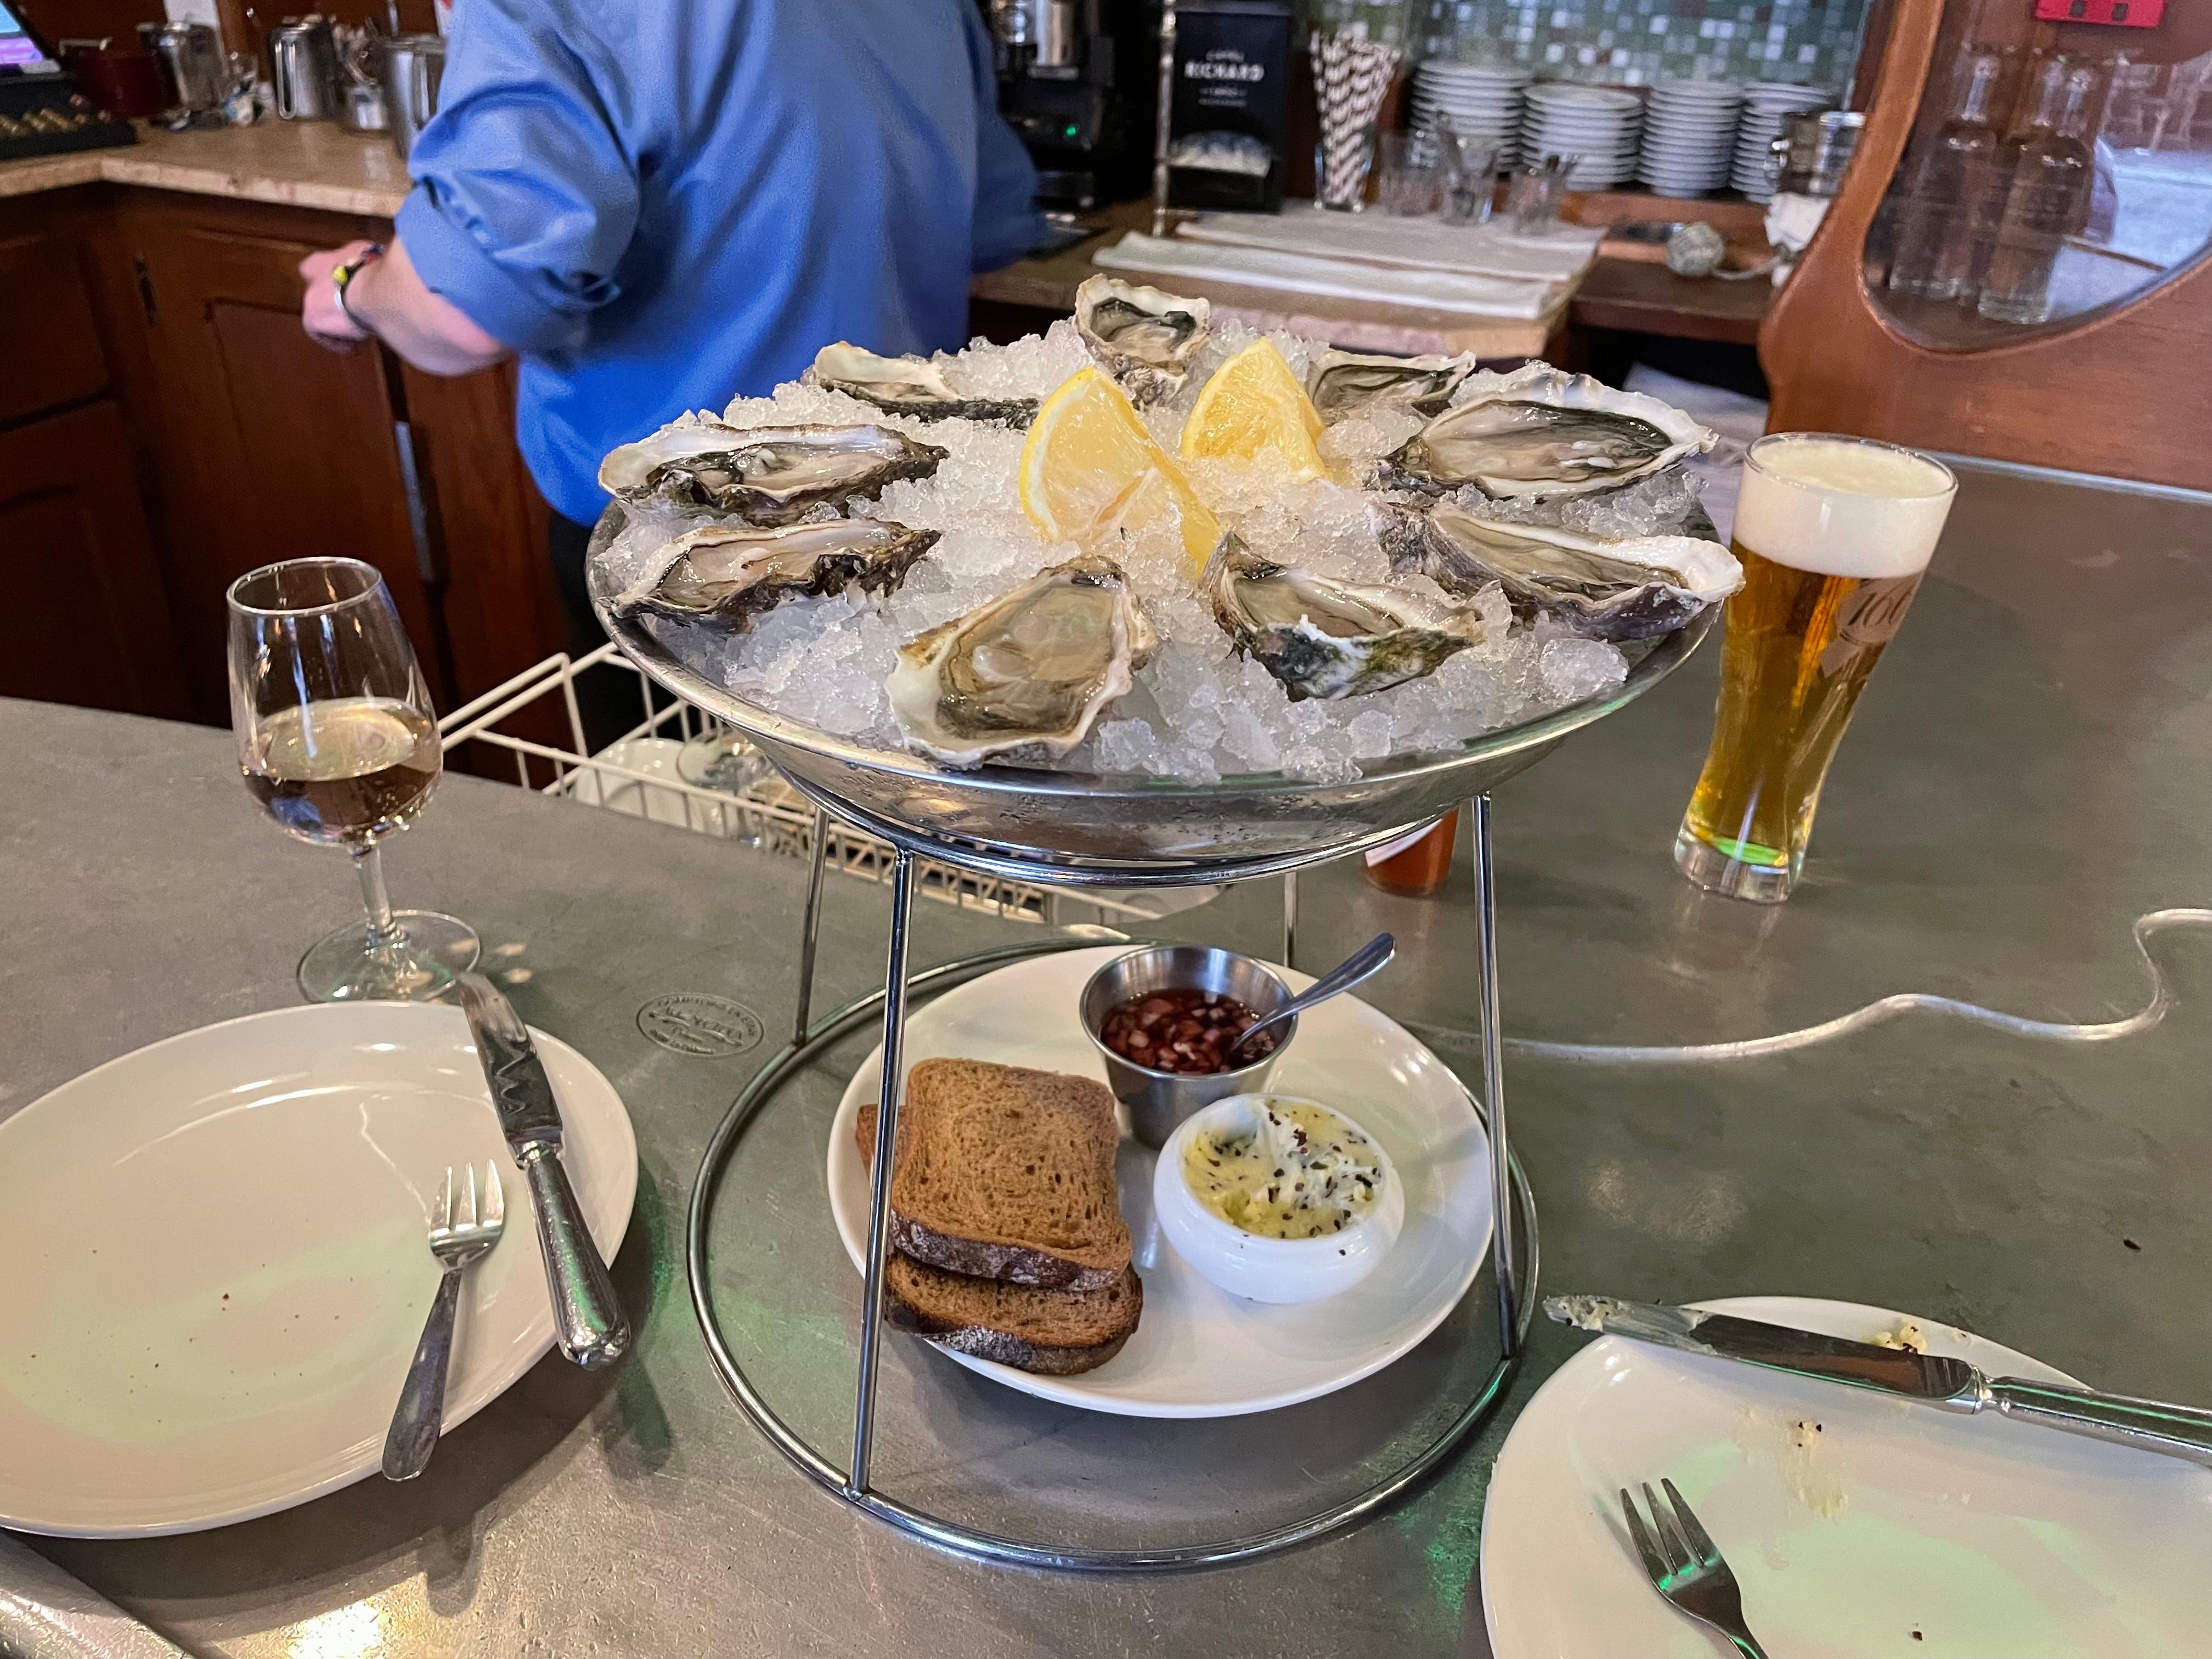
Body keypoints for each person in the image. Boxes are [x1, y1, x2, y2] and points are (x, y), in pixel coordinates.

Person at [297, 0, 1042, 741]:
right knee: (864, 808)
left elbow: (466, 314)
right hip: (916, 540)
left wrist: (353, 290)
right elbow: (991, 226)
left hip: (670, 563)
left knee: (672, 807)